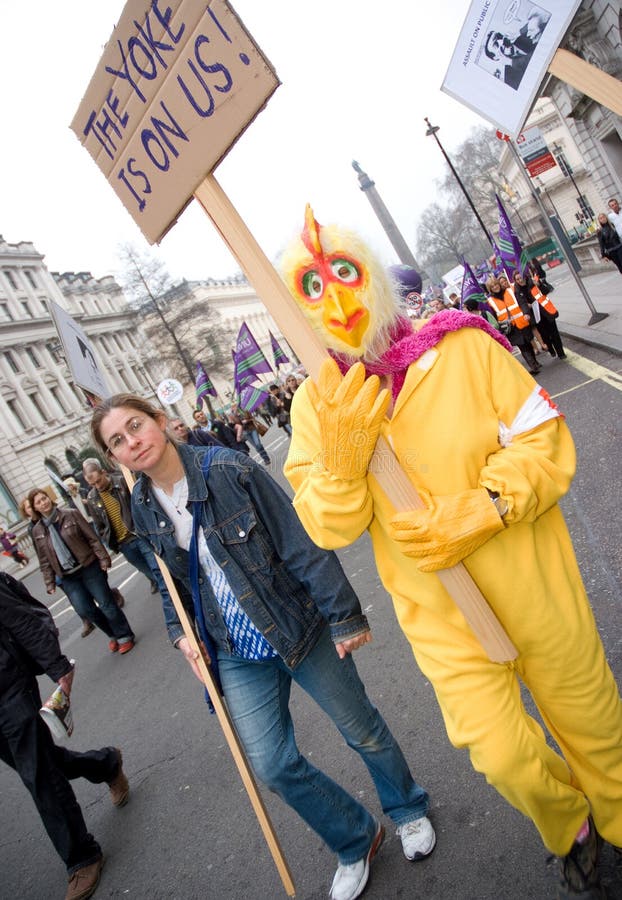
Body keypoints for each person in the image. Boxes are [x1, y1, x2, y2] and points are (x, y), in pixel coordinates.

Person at [280, 208, 622, 899]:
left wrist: (484, 506)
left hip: (535, 586)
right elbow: (326, 525)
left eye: (344, 273)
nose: (337, 301)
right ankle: (572, 829)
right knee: (503, 756)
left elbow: (545, 442)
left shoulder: (464, 346)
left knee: (597, 733)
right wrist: (342, 463)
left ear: (374, 278)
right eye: (313, 287)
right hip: (441, 617)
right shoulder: (318, 407)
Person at [90, 393, 437, 900]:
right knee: (272, 764)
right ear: (113, 457)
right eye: (117, 441)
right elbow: (170, 583)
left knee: (361, 730)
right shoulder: (140, 507)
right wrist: (181, 634)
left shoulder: (229, 469)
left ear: (160, 421)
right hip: (235, 648)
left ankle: (407, 809)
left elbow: (299, 542)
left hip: (297, 626)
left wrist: (343, 616)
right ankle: (355, 838)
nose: (132, 442)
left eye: (136, 425)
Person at [0, 570, 129, 900]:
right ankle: (107, 763)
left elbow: (18, 618)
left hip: (8, 689)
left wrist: (58, 667)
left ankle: (82, 857)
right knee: (43, 762)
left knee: (38, 774)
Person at [28, 489, 135, 654]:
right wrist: (49, 582)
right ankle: (112, 634)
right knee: (85, 610)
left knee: (106, 604)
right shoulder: (37, 531)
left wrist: (103, 558)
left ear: (49, 498)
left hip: (89, 567)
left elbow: (92, 538)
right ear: (35, 508)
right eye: (39, 502)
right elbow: (44, 558)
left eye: (44, 498)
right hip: (68, 577)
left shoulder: (70, 514)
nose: (43, 503)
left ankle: (124, 636)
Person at [82, 458, 170, 600]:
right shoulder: (92, 498)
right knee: (149, 572)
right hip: (123, 544)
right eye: (92, 484)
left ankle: (173, 605)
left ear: (103, 472)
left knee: (158, 571)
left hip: (139, 535)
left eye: (98, 481)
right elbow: (99, 525)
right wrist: (109, 540)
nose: (97, 486)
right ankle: (168, 592)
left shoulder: (122, 482)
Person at [486, 275, 540, 374]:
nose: (495, 287)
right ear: (490, 289)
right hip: (510, 328)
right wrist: (499, 329)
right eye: (492, 286)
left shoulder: (511, 291)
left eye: (496, 285)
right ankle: (533, 366)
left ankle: (535, 362)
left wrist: (526, 313)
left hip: (522, 322)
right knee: (522, 347)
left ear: (499, 284)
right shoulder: (490, 301)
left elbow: (522, 302)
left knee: (528, 343)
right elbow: (494, 317)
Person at [514, 271, 567, 360]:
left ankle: (561, 353)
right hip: (536, 316)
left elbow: (546, 291)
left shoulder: (533, 282)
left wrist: (539, 284)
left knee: (554, 333)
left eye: (521, 277)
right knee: (544, 335)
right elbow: (522, 303)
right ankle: (551, 349)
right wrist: (526, 312)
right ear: (515, 281)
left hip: (546, 311)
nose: (520, 280)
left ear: (525, 276)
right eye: (517, 279)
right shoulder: (518, 291)